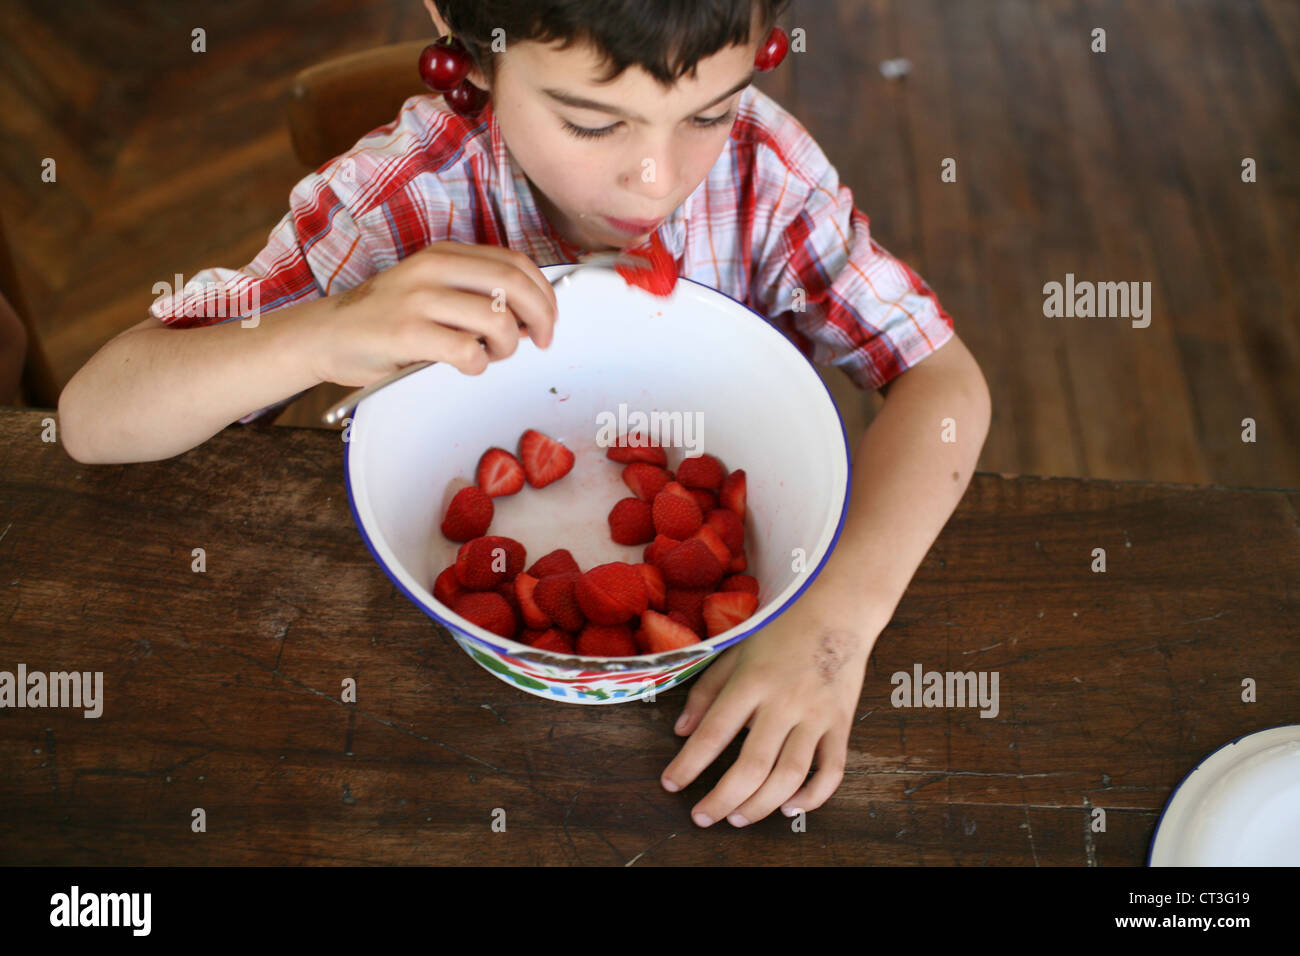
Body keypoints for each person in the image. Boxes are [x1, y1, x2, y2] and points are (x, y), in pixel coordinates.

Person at [59, 0, 991, 828]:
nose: (657, 180)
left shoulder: (765, 176)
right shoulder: (404, 201)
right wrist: (321, 332)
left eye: (709, 110)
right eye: (593, 122)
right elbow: (94, 419)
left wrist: (834, 630)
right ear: (467, 45)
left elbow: (943, 384)